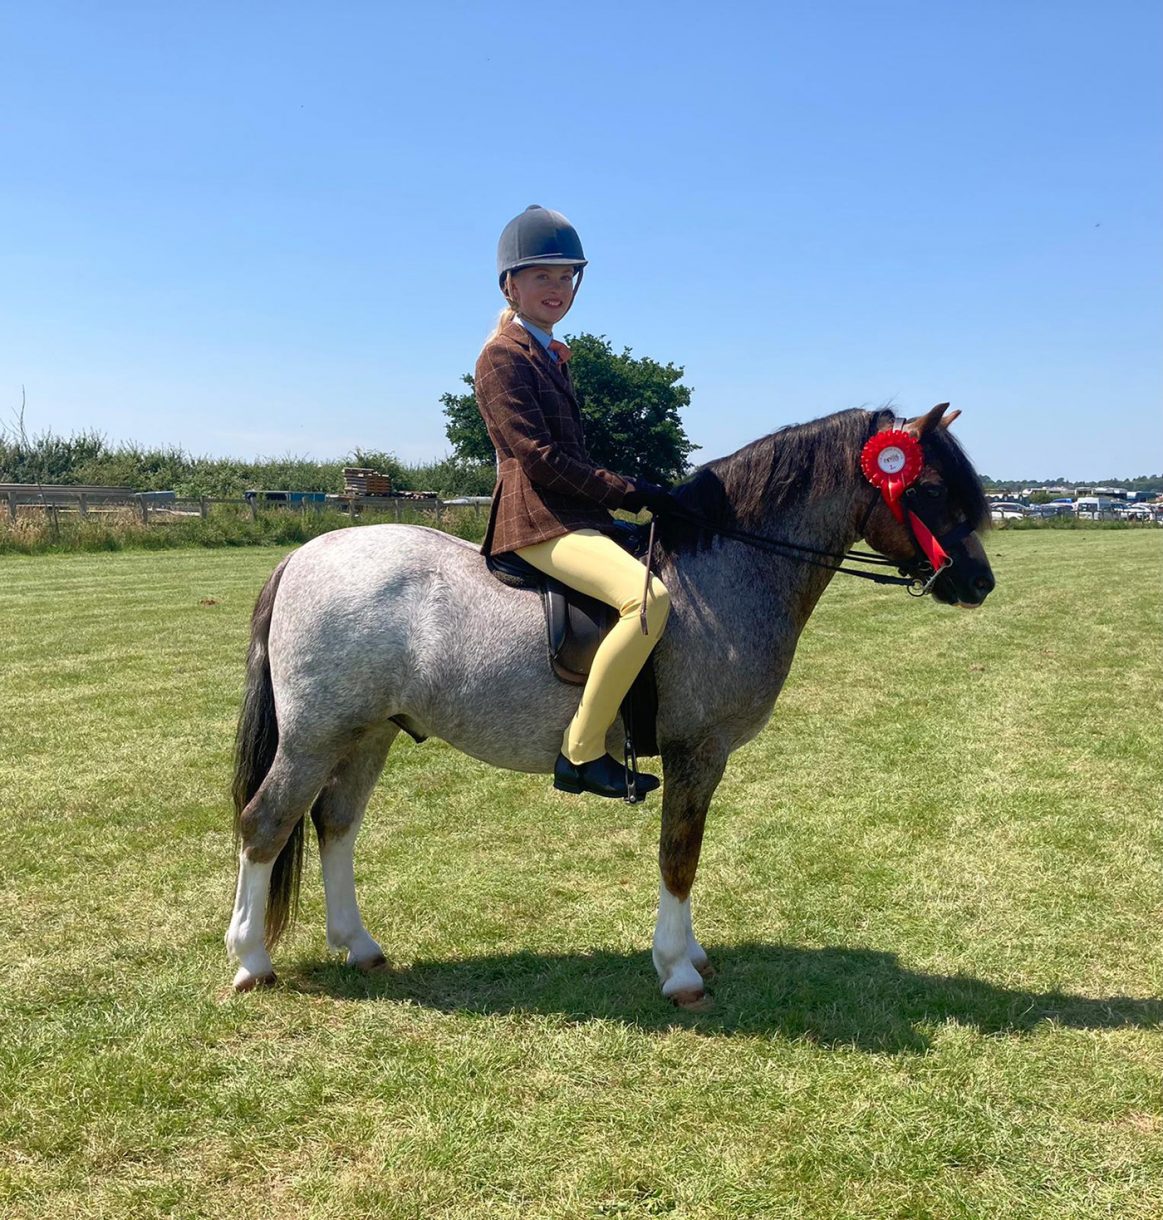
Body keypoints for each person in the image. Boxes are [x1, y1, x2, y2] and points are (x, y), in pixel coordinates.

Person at [474, 204, 677, 799]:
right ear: (511, 284)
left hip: (573, 515)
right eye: (543, 276)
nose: (557, 289)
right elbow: (537, 458)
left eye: (567, 277)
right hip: (536, 521)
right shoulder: (501, 357)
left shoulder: (549, 353)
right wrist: (631, 491)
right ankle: (583, 751)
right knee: (648, 601)